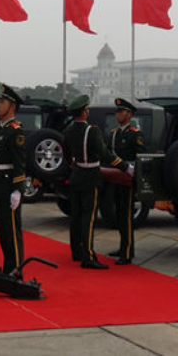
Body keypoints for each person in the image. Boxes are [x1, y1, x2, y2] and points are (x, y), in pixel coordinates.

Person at [63, 94, 131, 269]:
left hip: (76, 174)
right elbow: (104, 153)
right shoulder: (92, 130)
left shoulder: (69, 130)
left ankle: (76, 252)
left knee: (75, 216)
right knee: (89, 217)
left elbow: (67, 153)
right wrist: (124, 166)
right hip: (90, 176)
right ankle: (88, 256)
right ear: (84, 112)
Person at [0, 84, 27, 276]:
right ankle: (7, 266)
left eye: (2, 102)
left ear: (12, 106)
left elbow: (20, 163)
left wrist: (18, 189)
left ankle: (16, 269)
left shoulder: (15, 131)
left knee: (12, 230)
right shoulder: (0, 129)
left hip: (9, 184)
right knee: (3, 230)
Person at [107, 98, 144, 265]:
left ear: (129, 114)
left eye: (121, 112)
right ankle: (123, 247)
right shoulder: (115, 133)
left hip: (128, 179)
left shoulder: (135, 134)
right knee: (119, 214)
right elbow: (109, 154)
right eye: (117, 112)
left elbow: (140, 157)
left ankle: (127, 251)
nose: (118, 114)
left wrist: (131, 171)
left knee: (127, 215)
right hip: (116, 176)